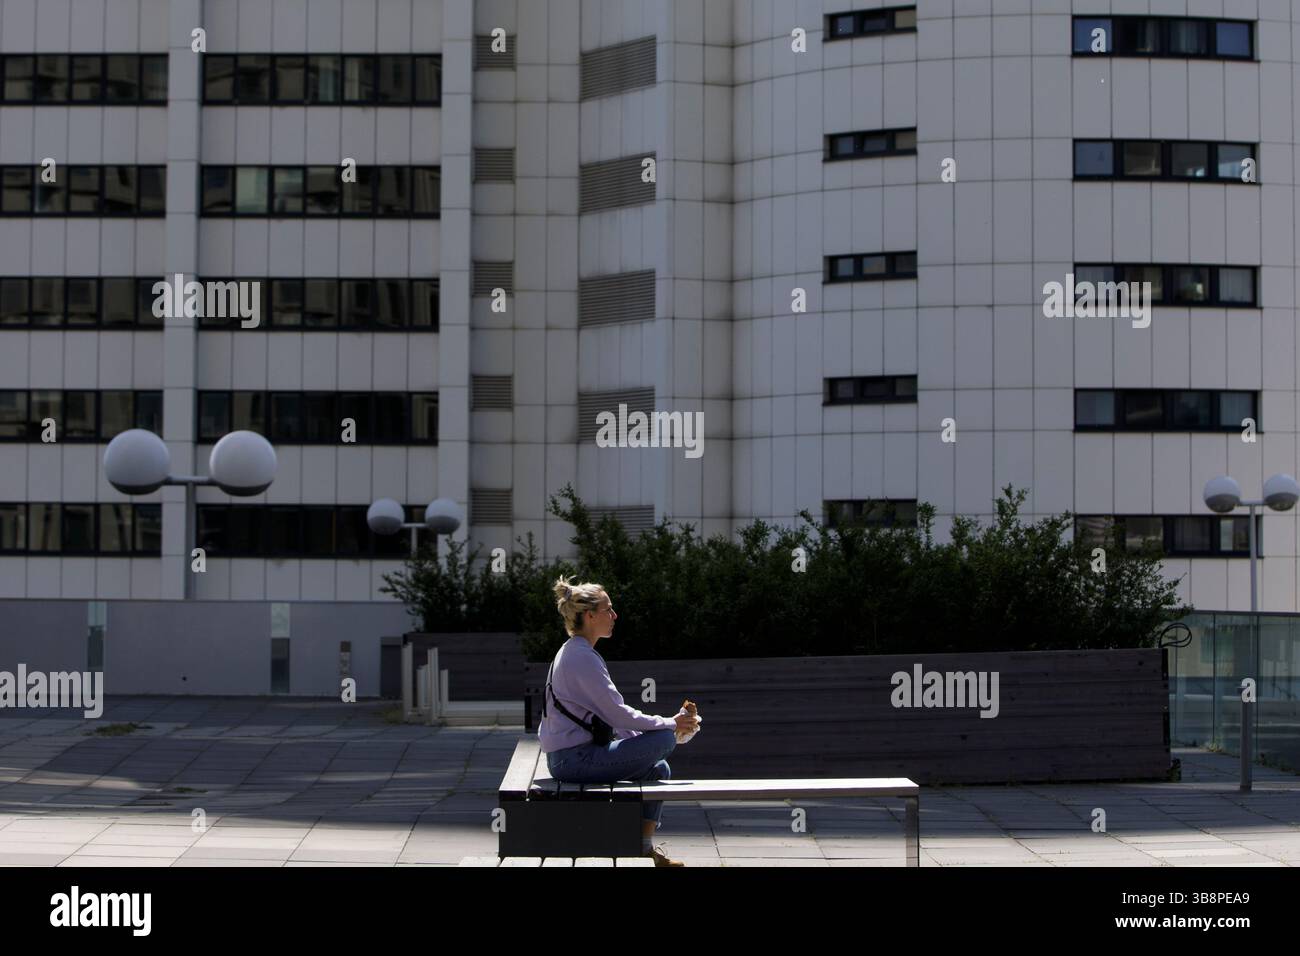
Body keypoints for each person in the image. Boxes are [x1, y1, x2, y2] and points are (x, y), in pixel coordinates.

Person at [539, 575, 699, 867]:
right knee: (663, 740)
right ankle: (626, 845)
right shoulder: (582, 658)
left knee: (659, 768)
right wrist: (670, 725)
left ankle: (644, 848)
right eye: (608, 610)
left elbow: (611, 716)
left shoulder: (577, 652)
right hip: (573, 761)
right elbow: (618, 714)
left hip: (569, 757)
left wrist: (659, 731)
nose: (614, 615)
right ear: (589, 616)